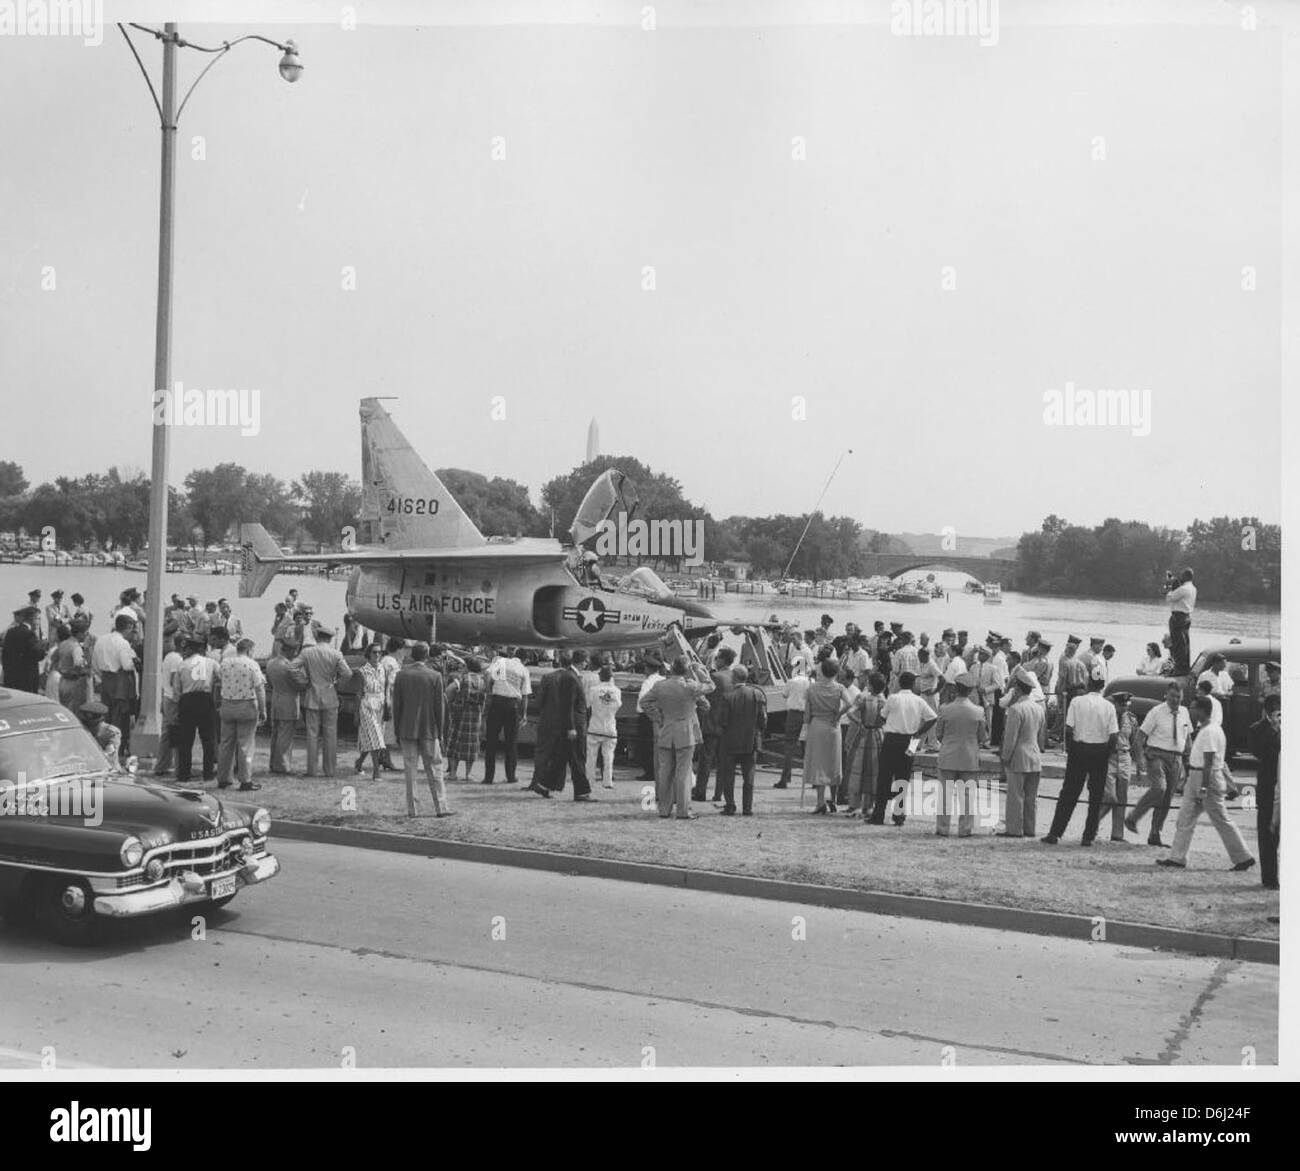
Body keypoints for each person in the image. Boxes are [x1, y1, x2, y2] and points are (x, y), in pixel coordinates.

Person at [1157, 697, 1254, 872]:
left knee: (1221, 819)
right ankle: (1177, 857)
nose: (1191, 711)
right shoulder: (1208, 729)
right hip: (1196, 775)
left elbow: (1208, 761)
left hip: (1206, 777)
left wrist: (1203, 786)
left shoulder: (1210, 731)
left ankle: (1243, 856)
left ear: (1202, 709)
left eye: (1193, 708)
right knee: (1185, 818)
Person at [1042, 668, 1117, 846]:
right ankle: (1088, 836)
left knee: (1069, 793)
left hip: (1079, 749)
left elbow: (1068, 730)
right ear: (1103, 686)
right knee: (1096, 796)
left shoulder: (1076, 702)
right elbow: (1113, 735)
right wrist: (1105, 753)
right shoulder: (1109, 706)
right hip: (1100, 750)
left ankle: (1055, 833)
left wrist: (1072, 751)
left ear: (1089, 683)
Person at [640, 655, 714, 820]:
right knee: (683, 773)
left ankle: (664, 809)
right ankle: (683, 810)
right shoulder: (690, 687)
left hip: (666, 731)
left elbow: (644, 702)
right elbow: (711, 686)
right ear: (686, 670)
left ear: (671, 668)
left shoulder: (660, 686)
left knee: (665, 771)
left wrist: (658, 718)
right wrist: (699, 670)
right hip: (685, 733)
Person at [1125, 682, 1194, 848]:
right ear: (1166, 695)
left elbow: (1188, 737)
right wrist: (1140, 759)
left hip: (1176, 759)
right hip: (1156, 755)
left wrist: (1188, 760)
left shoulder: (1184, 712)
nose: (1175, 700)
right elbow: (1140, 737)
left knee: (1167, 798)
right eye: (1172, 696)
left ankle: (1155, 833)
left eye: (1178, 697)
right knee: (1159, 788)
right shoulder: (1156, 712)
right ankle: (1133, 817)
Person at [866, 671, 937, 826]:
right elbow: (933, 718)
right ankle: (898, 815)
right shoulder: (918, 700)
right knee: (903, 777)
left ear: (899, 683)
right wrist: (918, 732)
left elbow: (882, 717)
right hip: (911, 740)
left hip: (892, 738)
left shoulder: (893, 698)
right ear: (913, 684)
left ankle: (878, 814)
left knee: (884, 777)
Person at [391, 642, 451, 817]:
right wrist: (440, 732)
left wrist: (396, 730)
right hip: (429, 729)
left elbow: (397, 706)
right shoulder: (435, 676)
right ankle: (441, 807)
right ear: (426, 656)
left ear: (412, 655)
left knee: (410, 770)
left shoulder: (402, 675)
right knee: (435, 769)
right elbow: (439, 707)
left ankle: (413, 809)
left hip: (406, 728)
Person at [930, 671, 987, 837]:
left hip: (948, 754)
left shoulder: (945, 709)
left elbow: (939, 734)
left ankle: (942, 828)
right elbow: (982, 737)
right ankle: (965, 829)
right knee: (968, 796)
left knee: (945, 795)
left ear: (956, 688)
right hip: (969, 756)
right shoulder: (978, 711)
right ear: (971, 690)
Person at [299, 625, 353, 778]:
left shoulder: (307, 652)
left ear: (317, 637)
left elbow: (292, 668)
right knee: (330, 735)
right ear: (330, 638)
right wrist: (336, 681)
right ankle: (330, 770)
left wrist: (305, 681)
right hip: (330, 695)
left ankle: (311, 770)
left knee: (312, 734)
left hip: (312, 696)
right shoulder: (336, 654)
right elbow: (348, 674)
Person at [214, 638, 266, 792]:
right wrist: (263, 710)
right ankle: (245, 780)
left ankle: (223, 778)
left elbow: (218, 684)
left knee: (225, 743)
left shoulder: (225, 663)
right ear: (250, 650)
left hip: (227, 705)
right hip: (246, 705)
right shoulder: (252, 664)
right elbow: (259, 688)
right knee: (245, 745)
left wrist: (218, 702)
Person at [715, 663, 767, 816]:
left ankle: (730, 805)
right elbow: (763, 719)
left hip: (730, 740)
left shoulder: (728, 696)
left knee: (728, 775)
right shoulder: (757, 694)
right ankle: (747, 807)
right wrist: (759, 732)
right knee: (749, 775)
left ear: (734, 677)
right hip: (750, 740)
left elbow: (722, 720)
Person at [999, 668, 1045, 838]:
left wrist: (1005, 757)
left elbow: (1010, 738)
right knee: (1031, 797)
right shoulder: (1039, 709)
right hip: (1034, 754)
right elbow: (1041, 736)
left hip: (1019, 755)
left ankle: (1014, 829)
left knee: (1015, 796)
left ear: (1017, 689)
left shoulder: (1016, 709)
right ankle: (1029, 828)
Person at [802, 658, 851, 814]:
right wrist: (838, 715)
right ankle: (833, 799)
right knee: (833, 762)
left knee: (819, 763)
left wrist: (806, 729)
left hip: (817, 725)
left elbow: (807, 714)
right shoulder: (839, 688)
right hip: (832, 726)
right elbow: (850, 704)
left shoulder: (812, 688)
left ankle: (820, 801)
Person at [692, 646, 736, 802]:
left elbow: (705, 699)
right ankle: (719, 793)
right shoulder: (734, 677)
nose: (715, 660)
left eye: (717, 658)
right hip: (728, 725)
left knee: (706, 760)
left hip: (712, 723)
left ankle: (700, 792)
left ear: (722, 660)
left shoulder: (716, 677)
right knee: (723, 762)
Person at [92, 613, 139, 759]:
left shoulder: (101, 640)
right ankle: (118, 751)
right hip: (120, 681)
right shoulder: (123, 643)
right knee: (120, 718)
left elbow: (95, 664)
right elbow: (126, 665)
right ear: (128, 627)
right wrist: (135, 661)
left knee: (106, 717)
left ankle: (106, 748)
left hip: (106, 680)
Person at [173, 636, 217, 785]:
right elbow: (221, 678)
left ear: (190, 649)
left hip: (187, 700)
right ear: (202, 649)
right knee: (208, 739)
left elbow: (176, 690)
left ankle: (184, 774)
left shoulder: (182, 665)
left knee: (186, 740)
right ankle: (208, 773)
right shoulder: (211, 663)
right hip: (205, 698)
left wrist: (178, 704)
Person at [483, 646, 530, 785]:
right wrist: (525, 714)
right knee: (511, 742)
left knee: (491, 741)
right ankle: (510, 776)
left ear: (514, 654)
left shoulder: (501, 662)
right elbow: (525, 694)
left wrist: (489, 691)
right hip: (513, 705)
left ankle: (488, 777)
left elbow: (488, 676)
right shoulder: (523, 669)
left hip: (496, 702)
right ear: (525, 660)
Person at [1248, 694, 1280, 890]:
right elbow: (1258, 752)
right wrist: (1273, 728)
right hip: (1268, 788)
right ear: (1268, 710)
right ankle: (1269, 878)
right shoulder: (1257, 729)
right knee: (1267, 836)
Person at [843, 672, 886, 817]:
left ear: (870, 685)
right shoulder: (884, 701)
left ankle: (854, 804)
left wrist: (859, 723)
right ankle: (868, 806)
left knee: (857, 768)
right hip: (878, 735)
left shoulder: (863, 698)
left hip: (863, 734)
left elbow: (850, 713)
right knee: (873, 770)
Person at [1099, 691, 1138, 842]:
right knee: (1110, 796)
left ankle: (1117, 834)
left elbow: (1134, 739)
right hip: (1110, 757)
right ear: (1115, 704)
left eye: (1126, 705)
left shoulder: (1131, 719)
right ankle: (1093, 824)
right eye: (1121, 704)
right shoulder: (1107, 717)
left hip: (1125, 756)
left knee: (1122, 798)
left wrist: (1137, 761)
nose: (1123, 707)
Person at [265, 640, 308, 774]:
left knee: (276, 735)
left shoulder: (271, 663)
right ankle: (283, 766)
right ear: (289, 650)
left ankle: (273, 763)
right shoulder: (289, 666)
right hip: (289, 702)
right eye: (295, 651)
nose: (296, 654)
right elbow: (300, 685)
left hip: (276, 701)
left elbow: (270, 684)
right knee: (285, 737)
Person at [445, 656, 488, 782]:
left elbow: (449, 690)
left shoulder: (462, 679)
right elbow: (484, 701)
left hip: (460, 715)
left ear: (468, 667)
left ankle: (453, 773)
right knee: (472, 746)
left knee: (454, 744)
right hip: (475, 717)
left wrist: (451, 705)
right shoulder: (482, 681)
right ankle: (468, 774)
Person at [354, 643, 389, 780]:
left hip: (380, 704)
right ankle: (376, 771)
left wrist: (387, 705)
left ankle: (359, 762)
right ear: (368, 654)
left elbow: (385, 688)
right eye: (374, 652)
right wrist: (356, 714)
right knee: (375, 737)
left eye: (380, 652)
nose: (377, 655)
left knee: (372, 738)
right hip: (367, 705)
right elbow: (358, 693)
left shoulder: (383, 669)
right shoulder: (362, 671)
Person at [152, 633, 185, 776]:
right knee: (174, 733)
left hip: (167, 696)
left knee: (167, 733)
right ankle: (175, 766)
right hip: (173, 698)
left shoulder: (169, 656)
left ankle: (163, 764)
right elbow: (174, 680)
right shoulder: (177, 659)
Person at [586, 664, 622, 790]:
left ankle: (589, 779)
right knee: (609, 755)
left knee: (591, 756)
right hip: (610, 725)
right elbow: (618, 706)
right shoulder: (617, 691)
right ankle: (608, 781)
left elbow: (588, 705)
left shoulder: (593, 690)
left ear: (600, 676)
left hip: (595, 725)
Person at [635, 655, 667, 781]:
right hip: (660, 715)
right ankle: (654, 770)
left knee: (646, 746)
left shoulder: (648, 682)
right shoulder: (663, 679)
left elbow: (643, 701)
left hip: (647, 716)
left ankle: (650, 771)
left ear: (648, 668)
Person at [1, 606, 45, 694]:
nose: (39, 622)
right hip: (26, 679)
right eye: (38, 619)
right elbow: (37, 655)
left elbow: (5, 655)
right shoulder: (29, 634)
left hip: (11, 678)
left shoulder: (11, 631)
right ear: (31, 618)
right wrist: (43, 649)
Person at [1164, 568, 1196, 674]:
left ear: (1186, 576)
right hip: (1186, 616)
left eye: (1182, 575)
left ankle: (1179, 667)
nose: (1180, 577)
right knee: (1185, 643)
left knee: (1178, 643)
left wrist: (1170, 589)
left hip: (1178, 617)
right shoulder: (1193, 588)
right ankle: (1184, 666)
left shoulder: (1184, 589)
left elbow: (1170, 598)